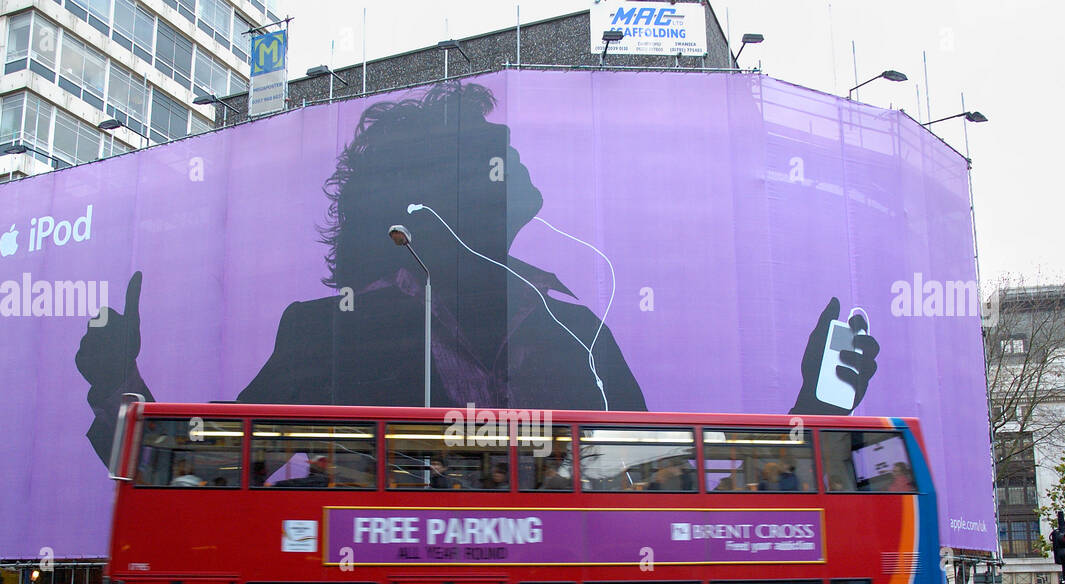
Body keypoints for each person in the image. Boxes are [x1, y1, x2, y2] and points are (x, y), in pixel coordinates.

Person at [76, 83, 880, 467]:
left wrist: (821, 409)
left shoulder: (575, 328)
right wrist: (115, 383)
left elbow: (655, 483)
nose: (513, 155)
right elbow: (203, 476)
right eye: (491, 152)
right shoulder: (327, 331)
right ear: (426, 208)